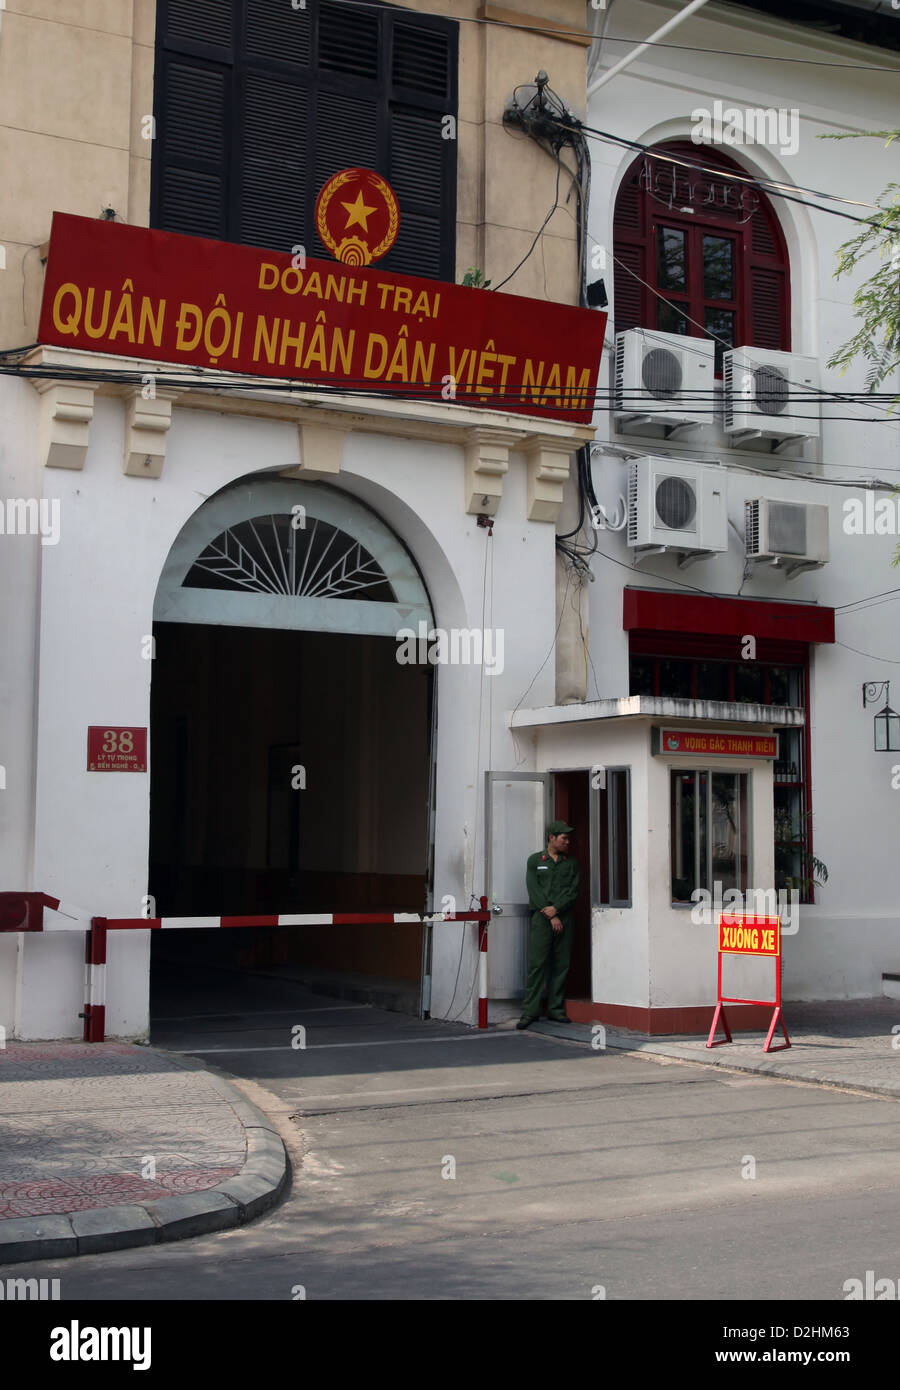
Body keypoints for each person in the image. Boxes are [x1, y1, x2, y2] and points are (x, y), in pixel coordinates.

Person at [517, 820, 580, 1030]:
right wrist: (550, 913)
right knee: (537, 965)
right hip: (542, 919)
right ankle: (530, 1011)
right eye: (564, 838)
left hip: (565, 918)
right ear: (551, 838)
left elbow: (573, 890)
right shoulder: (535, 860)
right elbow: (533, 888)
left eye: (568, 838)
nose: (567, 842)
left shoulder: (571, 863)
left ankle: (556, 1009)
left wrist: (558, 909)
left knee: (561, 965)